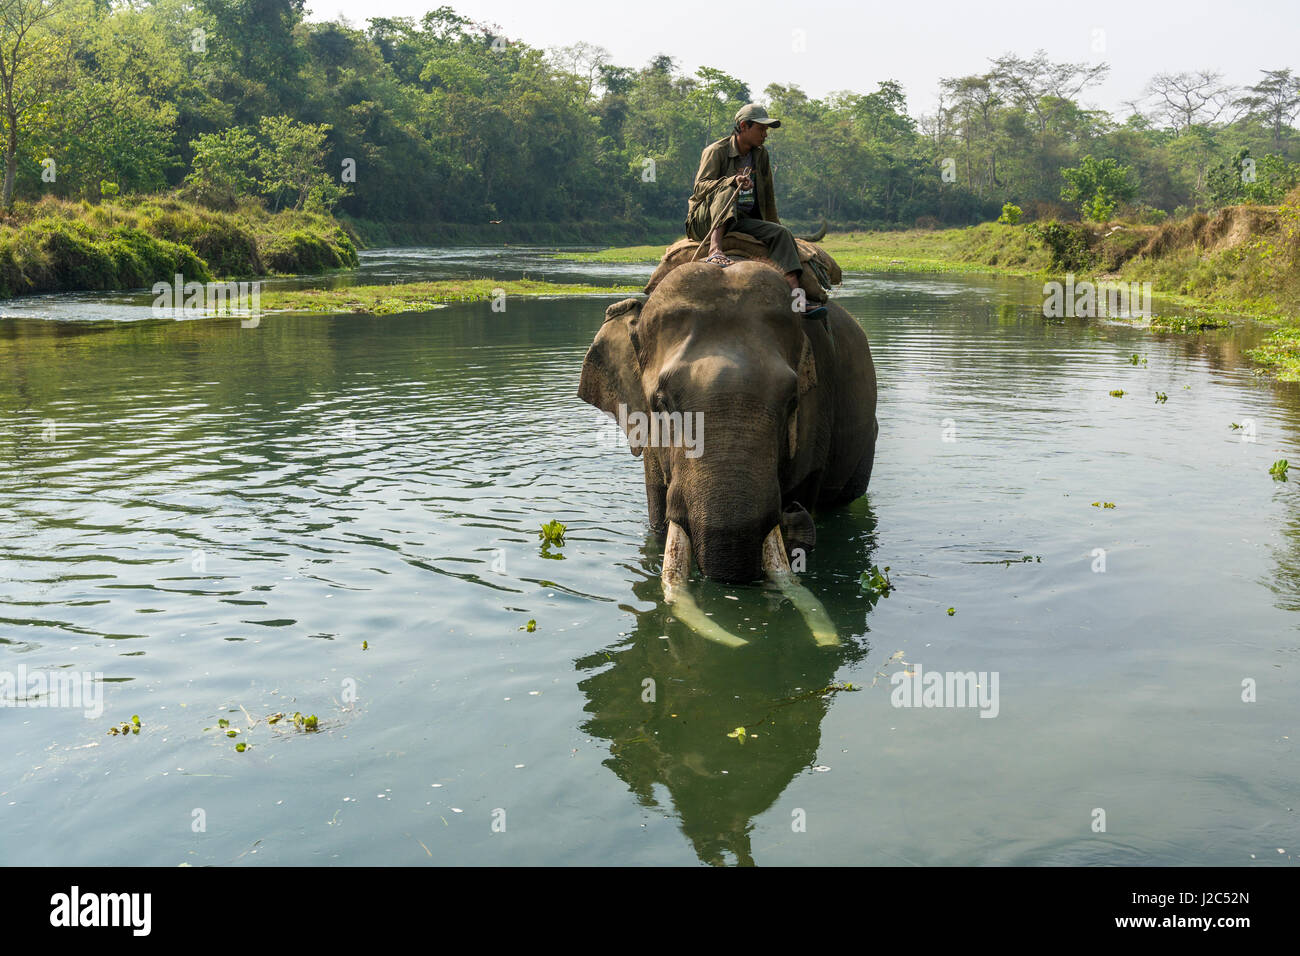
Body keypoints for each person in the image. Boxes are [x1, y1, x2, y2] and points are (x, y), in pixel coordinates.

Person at [685, 103, 827, 320]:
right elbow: (700, 188)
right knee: (727, 187)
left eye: (766, 130)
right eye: (761, 129)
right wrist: (733, 180)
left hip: (739, 219)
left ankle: (798, 300)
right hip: (705, 220)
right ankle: (715, 250)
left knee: (782, 235)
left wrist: (775, 228)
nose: (765, 135)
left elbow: (768, 196)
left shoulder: (761, 155)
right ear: (743, 126)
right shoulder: (716, 151)